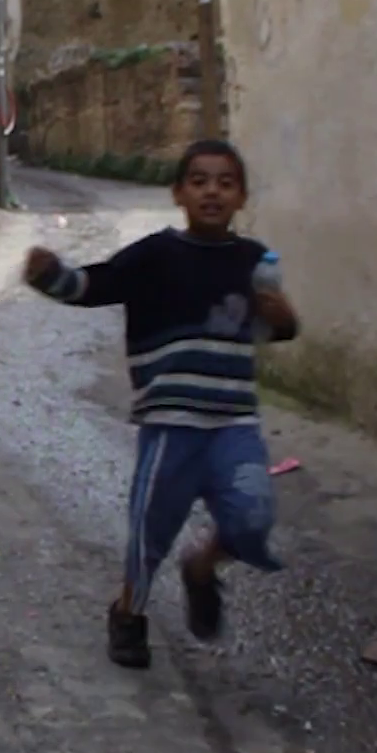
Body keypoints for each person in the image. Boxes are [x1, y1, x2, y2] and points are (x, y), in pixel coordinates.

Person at [21, 139, 300, 669]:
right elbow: (95, 285)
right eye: (199, 181)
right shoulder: (154, 255)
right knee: (151, 532)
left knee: (253, 517)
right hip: (171, 426)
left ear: (242, 197)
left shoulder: (254, 261)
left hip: (234, 423)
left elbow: (273, 328)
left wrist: (283, 316)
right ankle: (129, 613)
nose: (212, 192)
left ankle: (202, 567)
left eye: (225, 183)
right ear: (178, 193)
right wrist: (51, 276)